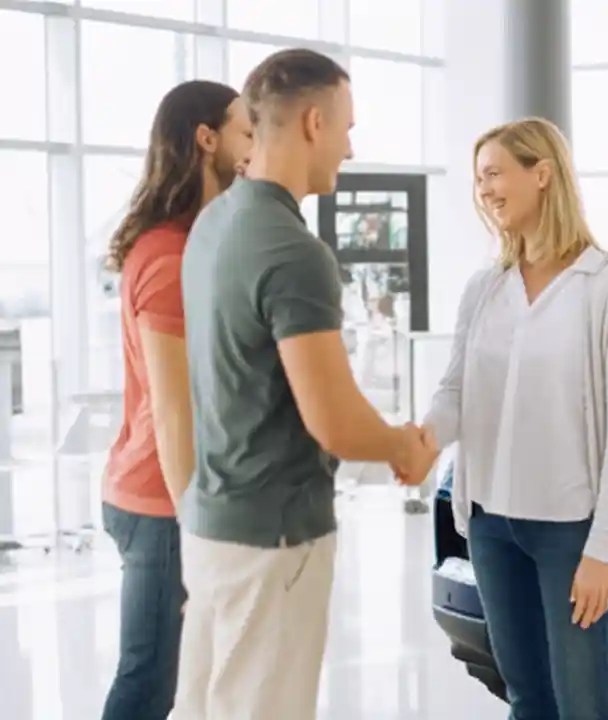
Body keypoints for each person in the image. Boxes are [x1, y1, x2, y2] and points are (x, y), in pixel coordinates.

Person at [171, 48, 437, 720]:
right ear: (314, 122)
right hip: (274, 540)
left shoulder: (214, 224)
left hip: (212, 527)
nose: (350, 144)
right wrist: (402, 445)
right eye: (347, 126)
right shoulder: (294, 251)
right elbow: (335, 422)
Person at [423, 117, 608, 719]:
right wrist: (419, 439)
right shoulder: (484, 287)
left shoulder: (606, 287)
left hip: (570, 532)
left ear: (542, 174)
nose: (485, 190)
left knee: (584, 702)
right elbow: (456, 392)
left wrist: (604, 550)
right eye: (479, 180)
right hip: (493, 525)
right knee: (525, 697)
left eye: (495, 174)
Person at [99, 79, 253, 720]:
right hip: (164, 505)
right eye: (245, 132)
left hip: (175, 496)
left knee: (189, 684)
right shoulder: (168, 255)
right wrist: (200, 532)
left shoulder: (198, 244)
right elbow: (172, 407)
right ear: (205, 138)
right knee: (147, 685)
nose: (252, 149)